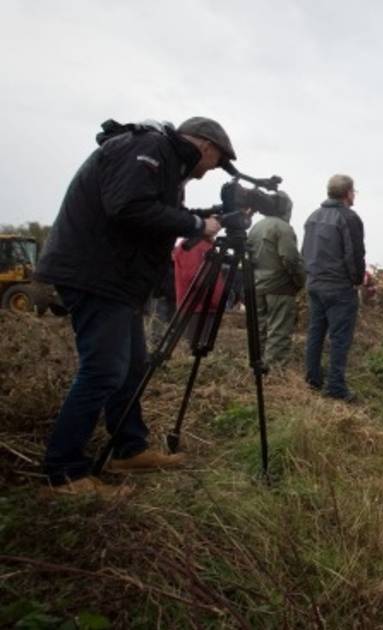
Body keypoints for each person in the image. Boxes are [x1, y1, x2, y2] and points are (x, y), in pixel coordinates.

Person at [33, 117, 230, 496]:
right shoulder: (150, 149)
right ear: (206, 146)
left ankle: (129, 449)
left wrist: (197, 217)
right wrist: (193, 224)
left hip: (116, 280)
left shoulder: (161, 159)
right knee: (103, 370)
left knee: (131, 368)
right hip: (95, 274)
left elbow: (146, 210)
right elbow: (127, 206)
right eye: (217, 160)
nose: (211, 170)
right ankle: (64, 472)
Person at [302, 174, 365, 401]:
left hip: (315, 283)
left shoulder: (312, 217)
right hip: (338, 286)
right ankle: (336, 387)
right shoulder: (348, 217)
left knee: (315, 333)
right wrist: (357, 279)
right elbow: (355, 253)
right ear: (348, 193)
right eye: (354, 191)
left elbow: (305, 252)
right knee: (340, 338)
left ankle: (312, 380)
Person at [248, 190, 303, 368]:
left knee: (260, 330)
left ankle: (257, 368)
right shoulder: (283, 228)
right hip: (280, 288)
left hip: (257, 286)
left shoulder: (256, 227)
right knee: (278, 332)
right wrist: (301, 281)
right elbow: (291, 259)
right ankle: (274, 374)